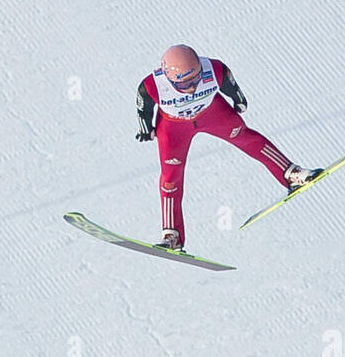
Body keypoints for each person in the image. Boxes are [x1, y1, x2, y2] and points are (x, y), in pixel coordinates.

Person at [136, 44, 320, 249]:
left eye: (195, 79)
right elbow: (143, 106)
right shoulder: (152, 86)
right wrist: (146, 128)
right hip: (174, 126)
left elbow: (229, 84)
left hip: (211, 112)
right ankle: (172, 234)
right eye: (185, 83)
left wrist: (238, 99)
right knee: (171, 177)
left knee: (245, 137)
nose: (191, 87)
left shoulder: (213, 69)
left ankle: (291, 174)